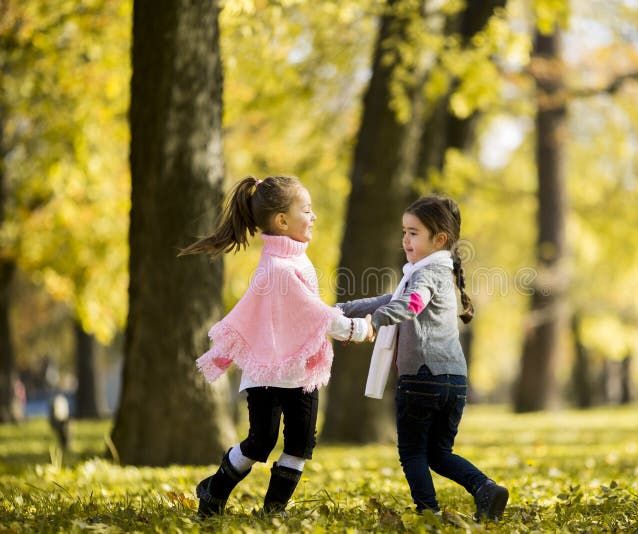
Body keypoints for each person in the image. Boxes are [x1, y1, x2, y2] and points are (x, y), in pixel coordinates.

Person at [179, 175, 375, 517]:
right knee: (260, 442)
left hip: (298, 372)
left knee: (300, 445)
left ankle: (273, 511)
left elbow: (303, 315)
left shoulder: (295, 261)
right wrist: (356, 329)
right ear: (282, 221)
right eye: (307, 210)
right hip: (269, 373)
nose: (314, 217)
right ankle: (214, 492)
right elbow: (314, 314)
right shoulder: (278, 268)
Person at [337, 195, 508, 521]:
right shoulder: (436, 272)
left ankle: (428, 513)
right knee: (439, 453)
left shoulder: (424, 274)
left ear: (439, 239)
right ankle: (485, 488)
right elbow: (390, 299)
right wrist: (341, 311)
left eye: (413, 232)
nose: (405, 239)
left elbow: (409, 305)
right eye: (404, 231)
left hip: (422, 379)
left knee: (413, 452)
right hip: (455, 381)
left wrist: (373, 322)